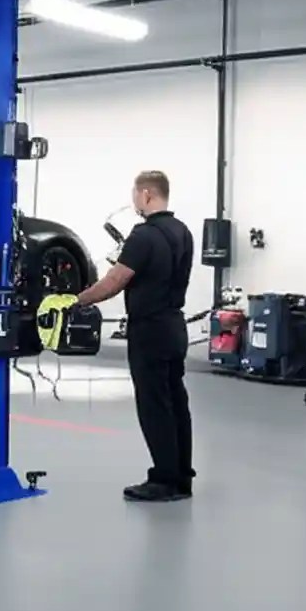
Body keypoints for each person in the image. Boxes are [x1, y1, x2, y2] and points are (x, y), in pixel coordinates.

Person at [74, 171, 195, 502]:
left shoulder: (143, 235)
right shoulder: (182, 232)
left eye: (134, 195)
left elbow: (114, 281)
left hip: (150, 330)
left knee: (154, 405)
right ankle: (182, 476)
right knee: (176, 402)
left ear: (146, 195)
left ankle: (164, 480)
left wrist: (76, 299)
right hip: (174, 327)